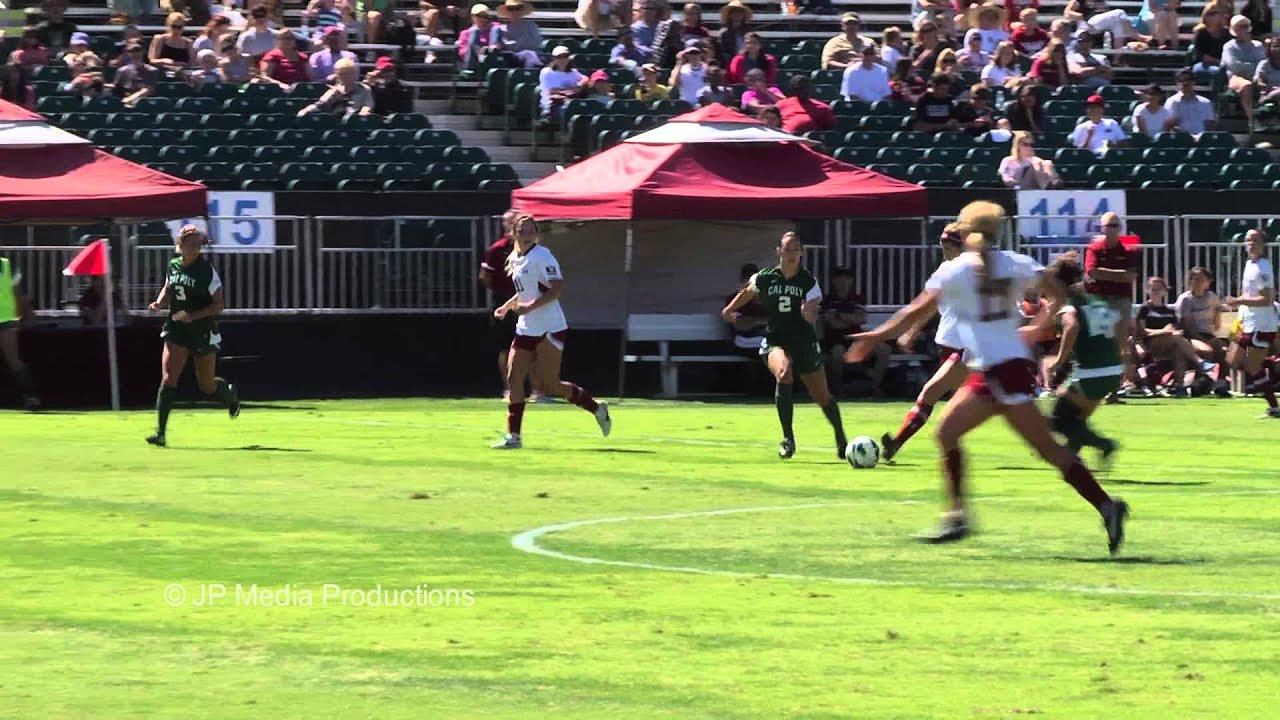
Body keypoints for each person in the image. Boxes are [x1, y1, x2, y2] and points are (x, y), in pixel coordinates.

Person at [848, 202, 1129, 553]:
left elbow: (915, 311)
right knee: (1012, 443)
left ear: (966, 232)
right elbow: (1057, 292)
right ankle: (1103, 507)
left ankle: (962, 516)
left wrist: (876, 336)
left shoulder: (957, 270)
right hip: (1003, 368)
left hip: (998, 372)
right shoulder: (1014, 262)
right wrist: (1037, 327)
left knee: (1027, 446)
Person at [722, 232, 849, 460]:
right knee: (784, 372)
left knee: (822, 396)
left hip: (803, 342)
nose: (791, 254)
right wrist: (729, 309)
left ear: (802, 253)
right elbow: (748, 292)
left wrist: (807, 314)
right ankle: (788, 438)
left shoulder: (808, 282)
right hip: (775, 340)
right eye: (787, 249)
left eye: (796, 249)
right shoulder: (765, 277)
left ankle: (841, 438)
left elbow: (812, 312)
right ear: (778, 251)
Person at [491, 216, 612, 449]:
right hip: (526, 327)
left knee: (549, 385)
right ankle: (514, 437)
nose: (526, 234)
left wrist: (529, 307)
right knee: (514, 378)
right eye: (521, 230)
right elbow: (525, 291)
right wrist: (507, 306)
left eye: (530, 230)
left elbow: (556, 288)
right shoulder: (515, 258)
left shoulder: (543, 255)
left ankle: (597, 408)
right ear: (514, 233)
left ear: (536, 233)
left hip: (549, 326)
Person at [878, 224, 969, 462]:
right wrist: (913, 330)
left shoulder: (973, 270)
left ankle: (897, 442)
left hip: (968, 349)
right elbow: (929, 306)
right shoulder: (945, 269)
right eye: (943, 245)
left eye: (949, 245)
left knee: (930, 394)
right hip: (948, 346)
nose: (945, 250)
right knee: (968, 404)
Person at [146, 226, 241, 447]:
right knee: (169, 378)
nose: (195, 248)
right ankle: (160, 432)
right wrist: (159, 303)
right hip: (177, 328)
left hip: (202, 330)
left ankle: (229, 395)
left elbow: (218, 304)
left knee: (207, 386)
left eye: (198, 244)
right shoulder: (174, 264)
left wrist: (192, 316)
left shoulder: (206, 270)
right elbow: (168, 287)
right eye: (191, 244)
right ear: (180, 245)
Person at [1045, 254, 1122, 465]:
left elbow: (1072, 326)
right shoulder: (1096, 302)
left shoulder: (1071, 305)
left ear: (1061, 283)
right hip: (1112, 369)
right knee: (1076, 420)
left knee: (1059, 421)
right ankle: (1072, 462)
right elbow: (1118, 329)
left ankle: (1105, 444)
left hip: (1092, 373)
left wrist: (1058, 361)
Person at [1221, 229, 1280, 417]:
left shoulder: (1263, 267)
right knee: (1233, 360)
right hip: (1247, 321)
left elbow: (1267, 299)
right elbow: (1250, 293)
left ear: (1263, 244)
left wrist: (1238, 301)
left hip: (1261, 324)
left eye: (1255, 240)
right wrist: (1238, 306)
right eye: (1248, 240)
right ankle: (1269, 364)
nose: (1250, 244)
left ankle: (1275, 407)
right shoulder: (1249, 264)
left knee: (1252, 366)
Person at [1084, 212, 1138, 386]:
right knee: (1099, 340)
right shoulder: (1094, 249)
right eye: (1109, 226)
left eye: (1116, 226)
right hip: (1099, 300)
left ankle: (1125, 381)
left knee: (1121, 341)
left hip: (1121, 299)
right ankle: (1098, 379)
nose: (1113, 229)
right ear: (1102, 228)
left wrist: (1104, 274)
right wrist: (1119, 275)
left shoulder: (1129, 251)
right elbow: (1092, 272)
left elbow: (1131, 276)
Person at [822, 267, 888, 399]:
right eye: (839, 278)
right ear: (833, 281)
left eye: (847, 278)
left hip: (857, 338)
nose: (843, 281)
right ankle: (837, 391)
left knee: (883, 349)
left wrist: (839, 315)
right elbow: (834, 324)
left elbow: (860, 319)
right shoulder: (828, 300)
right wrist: (851, 318)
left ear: (851, 281)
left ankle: (874, 389)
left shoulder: (857, 298)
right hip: (835, 339)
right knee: (837, 352)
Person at [0, 255, 40, 410]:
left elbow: (17, 294)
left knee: (13, 360)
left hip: (5, 320)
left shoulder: (7, 265)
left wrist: (18, 317)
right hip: (7, 320)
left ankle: (31, 396)